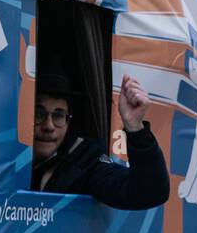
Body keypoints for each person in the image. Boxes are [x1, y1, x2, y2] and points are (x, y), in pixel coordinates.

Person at [31, 72, 170, 210]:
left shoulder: (84, 161)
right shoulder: (10, 158)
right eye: (38, 114)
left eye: (58, 116)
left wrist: (135, 128)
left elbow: (151, 192)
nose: (48, 126)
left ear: (69, 121)